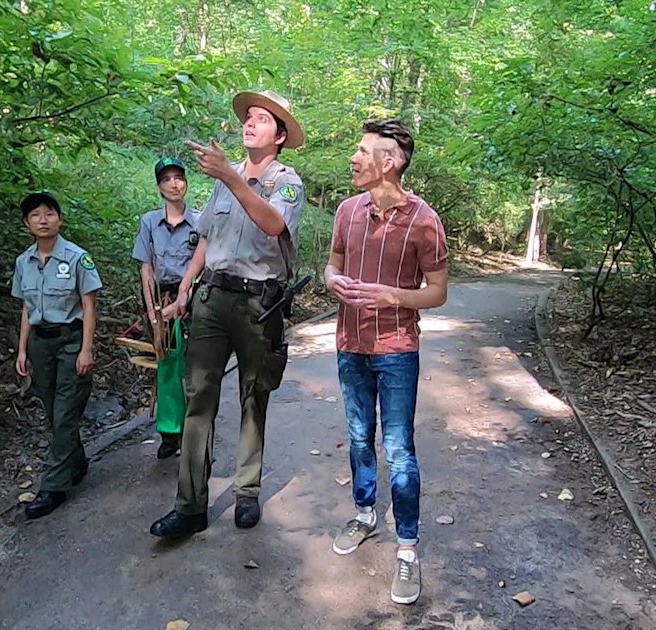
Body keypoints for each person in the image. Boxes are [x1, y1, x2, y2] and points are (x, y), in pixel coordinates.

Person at [149, 89, 306, 539]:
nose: (250, 123)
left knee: (254, 395)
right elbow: (205, 240)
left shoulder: (286, 180)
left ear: (279, 136)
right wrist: (183, 290)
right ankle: (190, 505)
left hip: (260, 303)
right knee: (199, 396)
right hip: (212, 298)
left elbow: (274, 224)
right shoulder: (225, 177)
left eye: (262, 119)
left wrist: (230, 178)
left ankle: (247, 491)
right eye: (248, 117)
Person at [323, 119, 449, 605]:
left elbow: (437, 292)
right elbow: (333, 261)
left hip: (396, 350)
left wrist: (391, 295)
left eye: (362, 151)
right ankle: (364, 513)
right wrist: (332, 279)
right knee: (358, 437)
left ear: (388, 163)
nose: (353, 159)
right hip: (349, 344)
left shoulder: (424, 220)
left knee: (398, 448)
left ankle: (408, 548)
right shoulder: (346, 211)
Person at [11, 191, 103, 520]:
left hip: (70, 341)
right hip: (40, 343)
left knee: (65, 412)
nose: (43, 220)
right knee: (52, 410)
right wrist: (22, 349)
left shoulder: (78, 258)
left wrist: (86, 349)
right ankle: (75, 463)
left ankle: (53, 485)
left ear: (59, 218)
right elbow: (26, 307)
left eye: (49, 214)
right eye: (35, 216)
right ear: (27, 224)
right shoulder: (24, 262)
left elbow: (90, 306)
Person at [132, 156, 201, 459]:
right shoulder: (149, 222)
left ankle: (196, 427)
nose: (174, 184)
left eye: (178, 178)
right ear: (159, 186)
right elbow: (146, 268)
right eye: (167, 179)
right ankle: (170, 432)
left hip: (195, 298)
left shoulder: (200, 221)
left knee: (196, 366)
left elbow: (205, 264)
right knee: (167, 365)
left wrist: (185, 296)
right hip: (160, 299)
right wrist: (152, 311)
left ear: (186, 182)